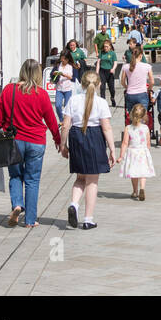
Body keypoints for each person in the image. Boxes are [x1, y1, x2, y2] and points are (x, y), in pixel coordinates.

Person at [0, 58, 61, 228]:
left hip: (13, 142)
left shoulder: (9, 90)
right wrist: (58, 140)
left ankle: (17, 204)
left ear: (22, 71)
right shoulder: (42, 94)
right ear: (38, 74)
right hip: (36, 142)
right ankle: (30, 220)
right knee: (32, 180)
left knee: (15, 175)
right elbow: (51, 120)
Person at [61, 71, 119, 230]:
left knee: (80, 177)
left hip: (77, 137)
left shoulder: (73, 100)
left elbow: (66, 125)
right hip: (95, 137)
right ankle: (88, 219)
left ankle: (74, 204)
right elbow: (106, 127)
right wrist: (113, 150)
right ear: (99, 84)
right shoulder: (101, 102)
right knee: (92, 181)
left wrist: (62, 145)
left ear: (81, 84)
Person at [119, 103, 156, 200]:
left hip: (132, 153)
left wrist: (121, 156)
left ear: (131, 115)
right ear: (144, 116)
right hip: (143, 152)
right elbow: (148, 143)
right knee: (143, 173)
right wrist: (147, 152)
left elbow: (124, 143)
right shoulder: (146, 128)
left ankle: (135, 191)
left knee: (134, 173)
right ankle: (142, 188)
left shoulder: (128, 128)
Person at [121, 48, 153, 118]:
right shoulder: (147, 66)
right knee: (142, 116)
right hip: (142, 93)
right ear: (141, 56)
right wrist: (149, 89)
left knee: (132, 117)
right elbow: (152, 81)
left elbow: (122, 82)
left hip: (130, 94)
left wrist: (127, 87)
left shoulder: (126, 67)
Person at [52, 50, 76, 124]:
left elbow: (73, 77)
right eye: (61, 58)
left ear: (68, 59)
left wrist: (63, 74)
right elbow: (52, 73)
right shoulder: (58, 65)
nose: (63, 60)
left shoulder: (70, 66)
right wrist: (54, 74)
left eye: (64, 59)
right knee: (58, 105)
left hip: (68, 89)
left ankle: (66, 121)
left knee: (66, 106)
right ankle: (61, 120)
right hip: (59, 88)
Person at [97, 40, 118, 109]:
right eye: (104, 47)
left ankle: (112, 98)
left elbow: (115, 62)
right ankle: (103, 102)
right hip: (102, 71)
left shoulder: (112, 53)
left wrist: (113, 69)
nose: (105, 48)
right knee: (102, 87)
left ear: (110, 47)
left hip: (110, 72)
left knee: (112, 88)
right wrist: (97, 73)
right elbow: (98, 63)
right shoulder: (101, 53)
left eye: (107, 47)